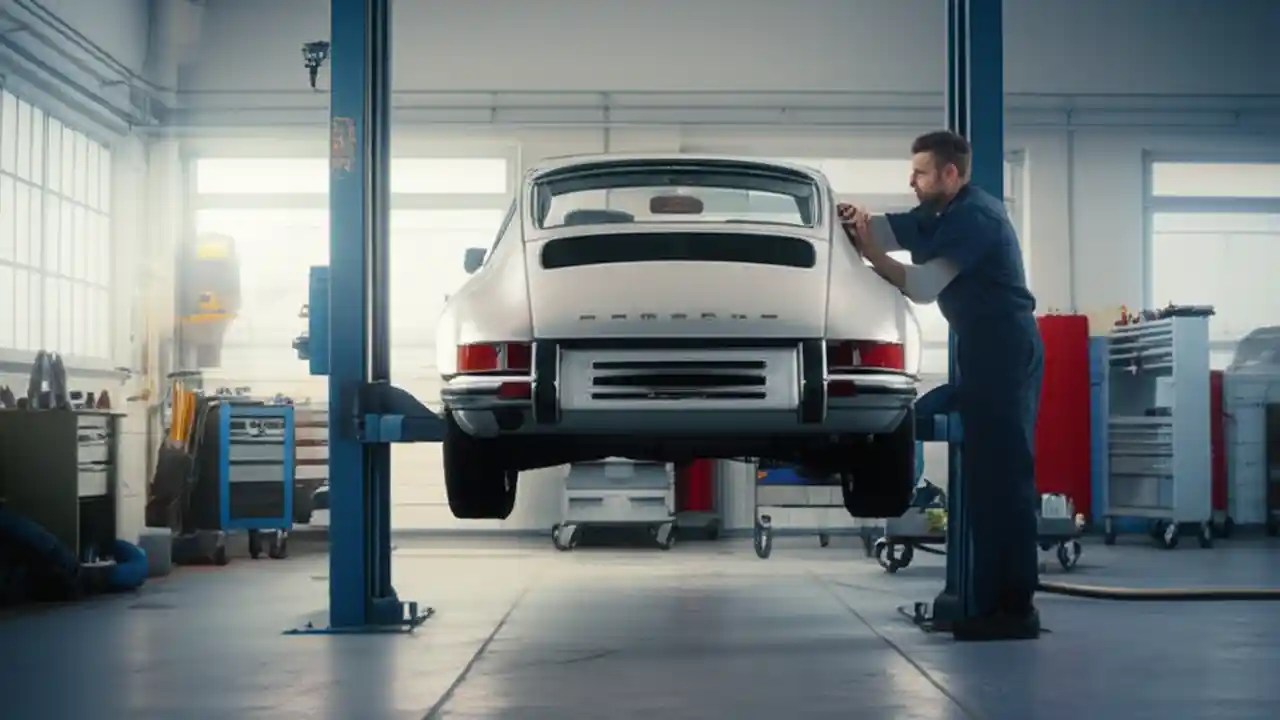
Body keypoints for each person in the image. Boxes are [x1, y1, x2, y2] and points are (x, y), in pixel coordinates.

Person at [839, 130, 1044, 641]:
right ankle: (986, 598)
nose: (911, 181)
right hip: (980, 350)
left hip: (1004, 349)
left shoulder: (975, 218)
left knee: (1004, 483)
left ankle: (1015, 610)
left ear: (950, 175)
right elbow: (888, 229)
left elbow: (925, 287)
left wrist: (871, 255)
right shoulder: (938, 212)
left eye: (921, 173)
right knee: (981, 476)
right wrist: (847, 220)